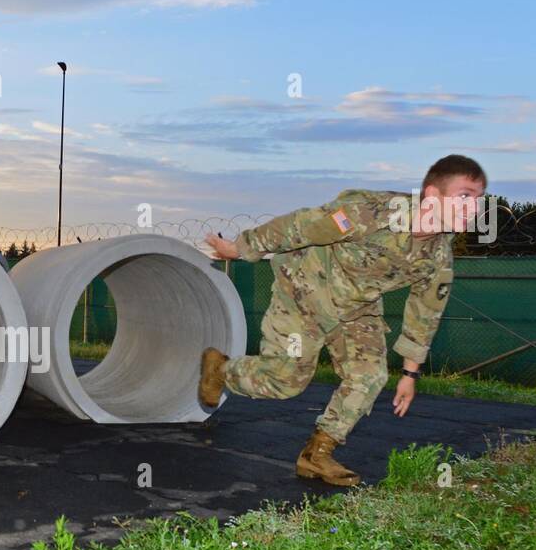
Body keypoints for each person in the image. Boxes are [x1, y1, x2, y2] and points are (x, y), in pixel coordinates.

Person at [199, 154, 487, 486]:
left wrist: (409, 374)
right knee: (285, 382)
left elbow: (425, 313)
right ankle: (220, 369)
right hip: (305, 289)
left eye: (479, 199)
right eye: (465, 196)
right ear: (433, 195)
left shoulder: (437, 256)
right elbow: (302, 225)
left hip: (356, 307)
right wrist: (241, 249)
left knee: (370, 375)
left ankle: (316, 455)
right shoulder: (373, 213)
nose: (475, 208)